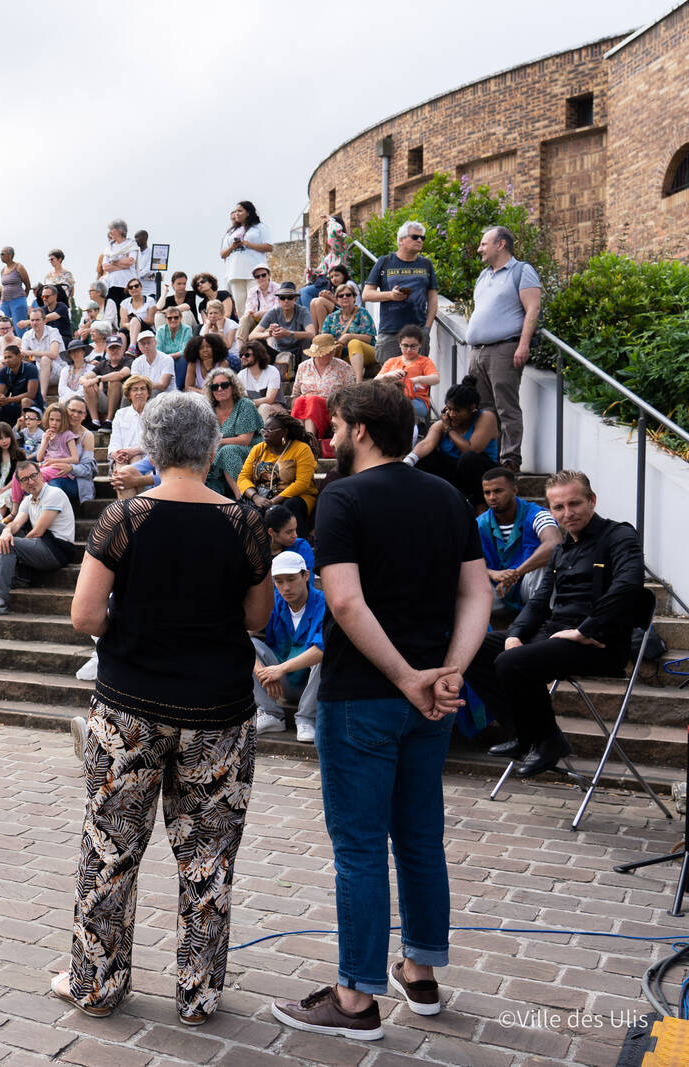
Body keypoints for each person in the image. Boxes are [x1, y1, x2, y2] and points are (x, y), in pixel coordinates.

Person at [272, 380, 490, 1043]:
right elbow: (477, 594)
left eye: (337, 426)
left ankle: (355, 999)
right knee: (420, 837)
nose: (331, 436)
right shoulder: (446, 495)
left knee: (361, 846)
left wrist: (406, 676)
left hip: (366, 695)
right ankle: (420, 972)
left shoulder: (343, 496)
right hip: (431, 698)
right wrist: (448, 672)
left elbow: (343, 600)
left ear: (361, 429)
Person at [58, 390, 271, 1022]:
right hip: (218, 712)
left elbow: (85, 616)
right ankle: (198, 995)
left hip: (130, 705)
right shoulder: (244, 522)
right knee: (208, 858)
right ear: (211, 448)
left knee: (110, 849)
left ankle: (96, 985)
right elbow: (259, 617)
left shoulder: (124, 517)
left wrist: (133, 626)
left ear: (151, 448)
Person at [462, 470, 643, 778]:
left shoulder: (619, 536)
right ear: (550, 509)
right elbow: (538, 602)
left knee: (512, 662)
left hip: (599, 642)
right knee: (472, 649)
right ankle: (523, 733)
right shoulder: (561, 549)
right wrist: (515, 633)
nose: (567, 513)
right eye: (558, 507)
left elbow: (628, 586)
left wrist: (585, 629)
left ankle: (548, 741)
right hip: (555, 634)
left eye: (574, 504)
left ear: (592, 500)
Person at [465, 226, 542, 473]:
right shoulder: (483, 275)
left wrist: (524, 344)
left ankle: (510, 460)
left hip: (504, 349)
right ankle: (489, 458)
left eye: (484, 244)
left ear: (501, 244)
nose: (479, 249)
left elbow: (533, 308)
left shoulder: (521, 271)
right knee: (482, 409)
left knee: (505, 407)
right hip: (477, 351)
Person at [0, 460, 73, 618]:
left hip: (57, 550)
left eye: (33, 476)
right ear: (21, 485)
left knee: (9, 544)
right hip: (39, 545)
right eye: (25, 479)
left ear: (41, 476)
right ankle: (19, 576)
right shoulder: (28, 500)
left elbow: (38, 532)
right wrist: (7, 531)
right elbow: (16, 524)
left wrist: (11, 541)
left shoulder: (54, 494)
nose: (31, 482)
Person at [253, 551, 327, 743]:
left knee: (326, 655)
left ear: (306, 575)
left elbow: (322, 648)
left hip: (313, 684)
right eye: (279, 581)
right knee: (250, 646)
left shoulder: (323, 603)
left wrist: (280, 669)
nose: (286, 587)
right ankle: (271, 713)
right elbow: (243, 636)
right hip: (280, 684)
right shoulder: (273, 603)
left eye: (291, 579)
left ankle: (307, 718)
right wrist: (262, 672)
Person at [407, 376, 500, 509]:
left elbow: (471, 449)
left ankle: (480, 506)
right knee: (425, 458)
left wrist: (449, 429)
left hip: (480, 473)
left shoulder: (486, 417)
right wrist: (409, 461)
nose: (452, 414)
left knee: (468, 458)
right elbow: (426, 444)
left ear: (472, 408)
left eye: (457, 410)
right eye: (449, 409)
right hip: (454, 474)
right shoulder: (443, 423)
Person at [477, 467, 560, 614]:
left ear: (514, 490)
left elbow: (554, 543)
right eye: (487, 492)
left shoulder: (537, 514)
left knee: (547, 564)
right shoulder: (479, 524)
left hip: (528, 588)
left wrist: (516, 573)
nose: (492, 497)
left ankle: (546, 620)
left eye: (498, 491)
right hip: (496, 591)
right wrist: (492, 573)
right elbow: (463, 562)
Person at [362, 220, 439, 363]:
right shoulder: (385, 262)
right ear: (401, 240)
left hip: (418, 333)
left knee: (417, 375)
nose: (419, 240)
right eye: (415, 237)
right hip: (390, 332)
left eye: (422, 238)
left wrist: (427, 329)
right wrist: (390, 295)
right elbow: (366, 294)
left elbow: (433, 298)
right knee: (389, 376)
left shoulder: (426, 264)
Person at [238, 414, 318, 532]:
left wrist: (273, 501)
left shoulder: (301, 449)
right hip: (262, 497)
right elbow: (243, 477)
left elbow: (302, 483)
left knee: (288, 507)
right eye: (264, 430)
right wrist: (255, 497)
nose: (265, 434)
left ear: (284, 432)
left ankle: (295, 540)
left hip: (294, 498)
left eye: (270, 430)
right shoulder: (258, 449)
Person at [205, 367, 262, 497]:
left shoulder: (245, 405)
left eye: (224, 385)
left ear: (233, 386)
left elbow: (244, 440)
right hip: (217, 455)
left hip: (250, 452)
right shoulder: (209, 409)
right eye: (215, 387)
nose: (219, 389)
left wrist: (215, 442)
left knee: (227, 451)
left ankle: (242, 496)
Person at [289, 334, 357, 442]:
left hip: (332, 409)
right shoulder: (303, 367)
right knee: (302, 400)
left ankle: (309, 439)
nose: (331, 354)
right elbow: (295, 395)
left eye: (332, 352)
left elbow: (351, 396)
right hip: (305, 408)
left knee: (312, 400)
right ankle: (305, 438)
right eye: (327, 353)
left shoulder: (343, 367)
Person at [375, 324, 439, 421]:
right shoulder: (392, 361)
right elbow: (376, 381)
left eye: (413, 346)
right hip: (394, 399)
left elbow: (436, 378)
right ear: (400, 344)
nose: (409, 350)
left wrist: (417, 379)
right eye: (405, 346)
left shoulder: (425, 362)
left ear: (420, 345)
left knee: (394, 405)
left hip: (418, 401)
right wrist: (389, 375)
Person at [250, 282, 314, 372]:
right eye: (282, 297)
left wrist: (288, 333)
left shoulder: (302, 311)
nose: (286, 301)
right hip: (279, 353)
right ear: (279, 300)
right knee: (257, 343)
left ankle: (305, 372)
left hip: (299, 352)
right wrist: (269, 333)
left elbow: (312, 334)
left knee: (308, 340)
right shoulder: (273, 313)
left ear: (295, 299)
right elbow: (252, 336)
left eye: (290, 297)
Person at [220, 200, 272, 309]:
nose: (237, 214)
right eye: (236, 211)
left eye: (240, 211)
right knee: (240, 308)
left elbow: (269, 247)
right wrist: (232, 247)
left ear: (248, 212)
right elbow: (223, 254)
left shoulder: (259, 227)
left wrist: (249, 244)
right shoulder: (231, 232)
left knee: (256, 305)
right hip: (235, 273)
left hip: (254, 273)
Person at [321, 283, 377, 380]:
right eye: (341, 296)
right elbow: (324, 338)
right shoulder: (331, 317)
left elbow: (368, 338)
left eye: (348, 295)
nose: (345, 297)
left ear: (354, 297)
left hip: (366, 351)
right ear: (337, 299)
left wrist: (348, 336)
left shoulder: (362, 313)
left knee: (354, 343)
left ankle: (358, 382)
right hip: (341, 353)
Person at [98, 219, 138, 307]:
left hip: (127, 285)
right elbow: (105, 267)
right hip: (111, 285)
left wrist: (113, 262)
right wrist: (123, 265)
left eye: (112, 229)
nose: (110, 232)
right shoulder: (109, 248)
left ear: (120, 230)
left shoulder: (131, 244)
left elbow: (130, 261)